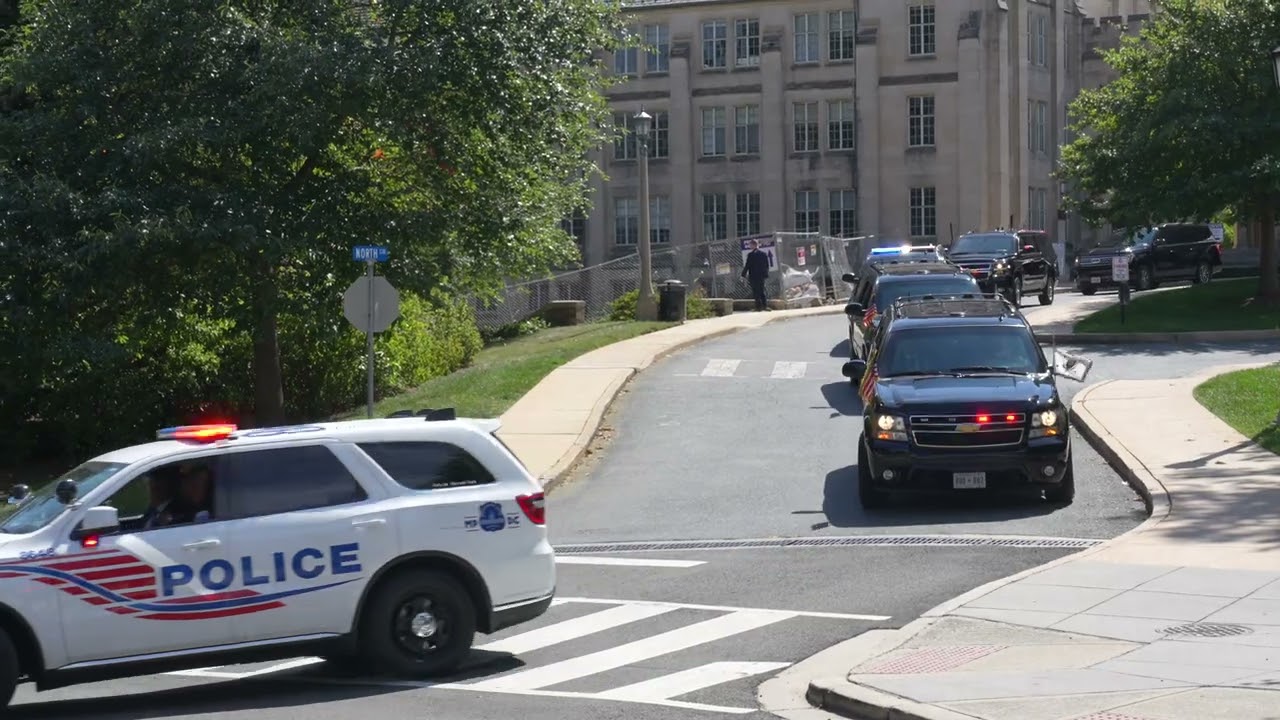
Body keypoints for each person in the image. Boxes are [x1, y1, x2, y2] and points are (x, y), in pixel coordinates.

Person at [740, 239, 771, 311]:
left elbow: (747, 266)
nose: (750, 246)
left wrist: (743, 275)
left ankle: (758, 307)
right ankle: (764, 306)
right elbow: (766, 266)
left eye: (751, 245)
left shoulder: (751, 255)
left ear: (754, 245)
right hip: (760, 276)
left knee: (756, 291)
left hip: (754, 275)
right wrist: (765, 274)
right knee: (761, 290)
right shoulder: (763, 254)